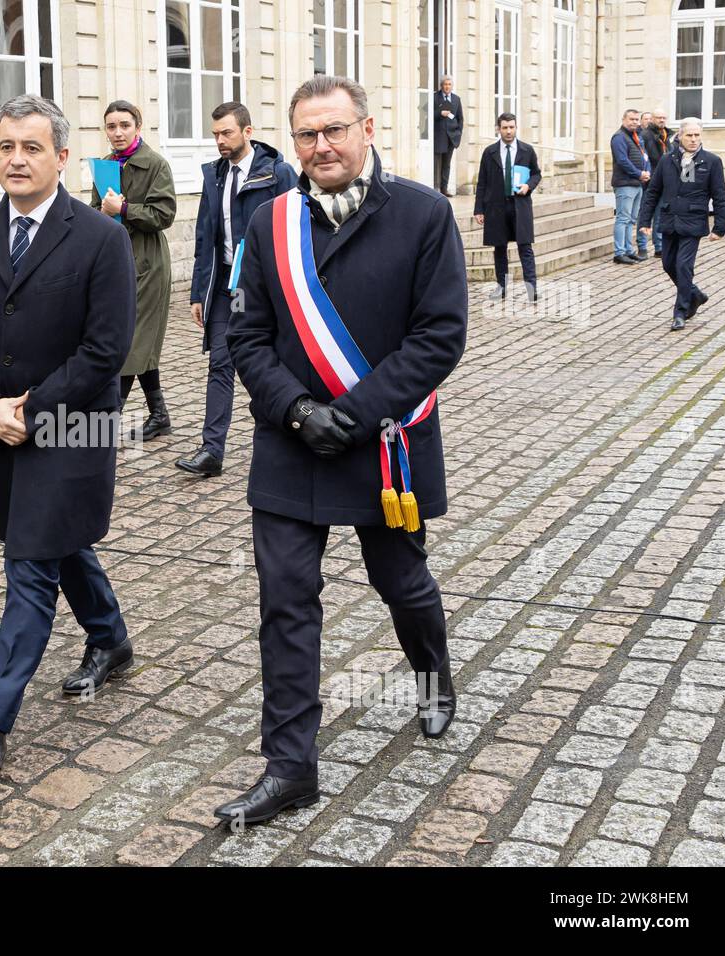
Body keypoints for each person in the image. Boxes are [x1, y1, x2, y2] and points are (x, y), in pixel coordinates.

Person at [220, 75, 467, 826]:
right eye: (306, 134)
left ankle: (432, 678)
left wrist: (350, 416)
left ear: (366, 128)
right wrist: (296, 410)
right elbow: (246, 336)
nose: (321, 146)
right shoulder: (268, 223)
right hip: (291, 446)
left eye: (334, 130)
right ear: (291, 141)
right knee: (286, 603)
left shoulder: (425, 214)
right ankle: (290, 767)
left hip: (383, 443)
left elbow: (439, 338)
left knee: (403, 583)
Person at [0, 95, 137, 775]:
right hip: (4, 426)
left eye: (31, 147)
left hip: (75, 423)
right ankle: (110, 638)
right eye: (5, 147)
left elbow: (106, 349)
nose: (16, 160)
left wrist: (31, 406)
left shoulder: (101, 238)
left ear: (60, 156)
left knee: (29, 562)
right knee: (57, 541)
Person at [176, 102, 296, 478]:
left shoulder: (278, 174)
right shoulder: (214, 175)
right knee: (220, 363)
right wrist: (199, 292)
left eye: (226, 133)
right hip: (227, 285)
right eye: (215, 134)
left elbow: (298, 229)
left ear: (247, 131)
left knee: (274, 362)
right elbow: (203, 236)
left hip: (264, 288)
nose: (220, 141)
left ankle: (286, 438)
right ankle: (212, 450)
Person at [91, 101, 177, 442]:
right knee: (141, 343)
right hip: (116, 264)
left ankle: (104, 425)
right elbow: (95, 211)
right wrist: (100, 211)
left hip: (147, 265)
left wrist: (124, 208)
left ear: (137, 126)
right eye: (111, 126)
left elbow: (164, 214)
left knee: (131, 343)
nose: (117, 132)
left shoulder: (155, 164)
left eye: (124, 125)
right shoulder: (106, 166)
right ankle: (159, 415)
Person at [638, 118, 725, 331]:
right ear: (680, 136)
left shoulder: (712, 161)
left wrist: (720, 227)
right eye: (689, 135)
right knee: (668, 264)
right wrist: (644, 220)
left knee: (683, 266)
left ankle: (681, 311)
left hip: (693, 222)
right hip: (670, 220)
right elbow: (653, 192)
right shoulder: (667, 160)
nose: (694, 139)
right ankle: (695, 294)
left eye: (697, 135)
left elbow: (720, 196)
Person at [473, 113, 542, 302]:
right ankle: (501, 287)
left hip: (520, 204)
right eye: (505, 127)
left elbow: (536, 174)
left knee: (525, 247)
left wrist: (529, 185)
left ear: (516, 127)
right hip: (497, 206)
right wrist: (479, 209)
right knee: (500, 248)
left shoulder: (527, 150)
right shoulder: (490, 152)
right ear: (498, 129)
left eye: (512, 127)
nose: (509, 131)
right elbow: (482, 182)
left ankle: (532, 288)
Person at [611, 108, 652, 264]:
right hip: (625, 184)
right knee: (623, 218)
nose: (634, 122)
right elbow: (622, 161)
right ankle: (619, 253)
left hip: (637, 184)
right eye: (631, 119)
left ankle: (628, 250)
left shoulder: (636, 137)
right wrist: (639, 174)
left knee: (631, 219)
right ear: (623, 120)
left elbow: (645, 158)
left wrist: (647, 171)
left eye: (636, 119)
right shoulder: (619, 137)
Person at [643, 109, 674, 258]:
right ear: (652, 119)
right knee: (647, 214)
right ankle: (645, 247)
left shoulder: (666, 134)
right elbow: (649, 158)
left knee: (661, 215)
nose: (662, 120)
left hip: (665, 179)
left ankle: (659, 246)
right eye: (658, 117)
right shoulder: (647, 135)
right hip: (652, 180)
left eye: (664, 117)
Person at [432, 75, 464, 197]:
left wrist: (459, 133)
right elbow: (428, 115)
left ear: (452, 86)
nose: (447, 87)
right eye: (445, 84)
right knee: (437, 163)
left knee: (447, 164)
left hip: (452, 136)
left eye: (449, 84)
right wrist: (440, 113)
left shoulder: (456, 99)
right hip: (438, 136)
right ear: (441, 86)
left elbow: (460, 118)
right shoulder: (435, 97)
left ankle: (444, 189)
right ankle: (435, 188)